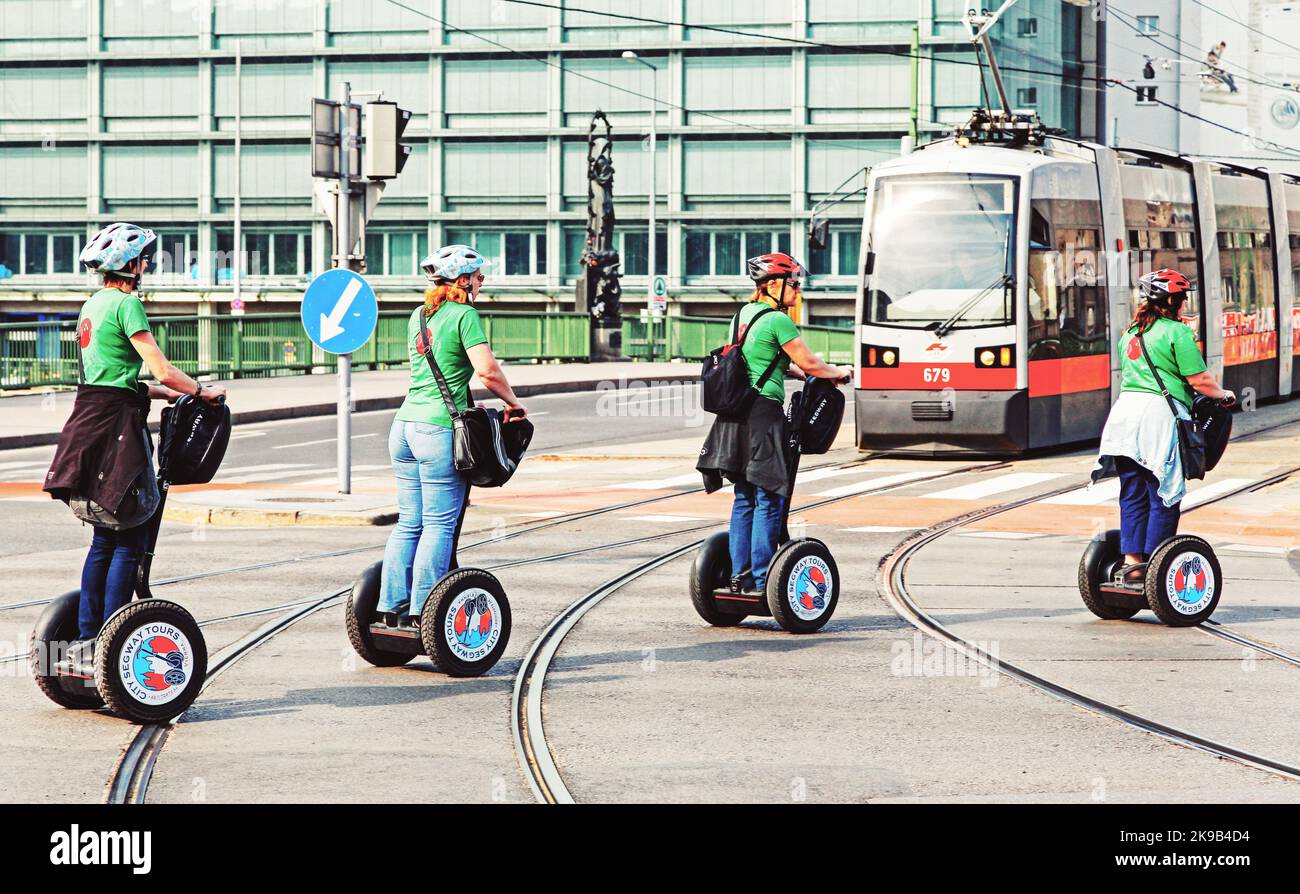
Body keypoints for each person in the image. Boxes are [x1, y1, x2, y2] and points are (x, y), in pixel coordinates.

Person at [43, 222, 227, 653]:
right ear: (130, 266)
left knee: (103, 537)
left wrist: (154, 392)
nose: (146, 264)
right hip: (118, 433)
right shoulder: (128, 305)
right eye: (143, 258)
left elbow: (109, 375)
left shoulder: (92, 305)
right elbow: (161, 367)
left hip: (88, 424)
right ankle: (112, 639)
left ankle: (89, 637)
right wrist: (202, 391)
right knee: (131, 535)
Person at [377, 244, 527, 626]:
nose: (482, 281)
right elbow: (487, 371)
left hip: (404, 428)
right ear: (463, 280)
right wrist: (513, 404)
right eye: (478, 276)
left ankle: (390, 607)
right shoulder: (465, 315)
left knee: (410, 521)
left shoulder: (419, 315)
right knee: (440, 524)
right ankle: (423, 613)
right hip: (437, 430)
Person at [697, 253, 851, 596]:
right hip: (763, 417)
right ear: (772, 285)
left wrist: (799, 372)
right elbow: (810, 363)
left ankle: (740, 577)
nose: (798, 291)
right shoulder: (779, 321)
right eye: (793, 284)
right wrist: (839, 372)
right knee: (769, 497)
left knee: (744, 497)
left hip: (733, 419)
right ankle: (766, 578)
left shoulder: (743, 315)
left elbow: (765, 360)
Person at [1092, 268, 1234, 584]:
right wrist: (1225, 395)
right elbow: (1199, 380)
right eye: (1182, 298)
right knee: (1163, 496)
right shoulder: (1176, 332)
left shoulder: (1130, 333)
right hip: (1157, 420)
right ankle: (1157, 566)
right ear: (1173, 300)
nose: (1184, 304)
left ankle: (1132, 564)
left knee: (1132, 493)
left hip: (1122, 420)